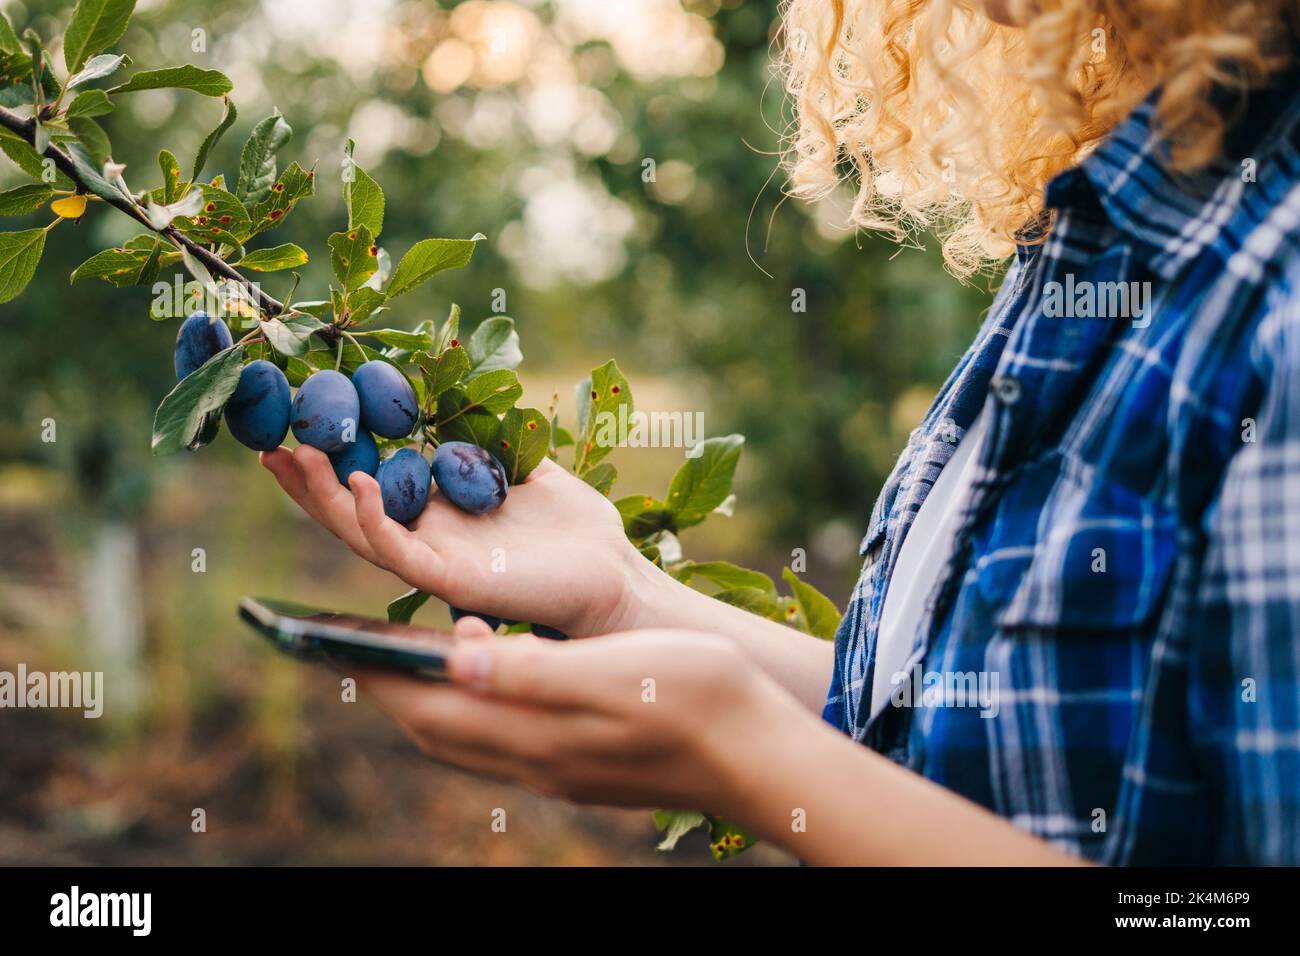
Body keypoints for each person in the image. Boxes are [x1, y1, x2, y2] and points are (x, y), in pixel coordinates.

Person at [261, 0, 1300, 865]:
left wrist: (745, 754)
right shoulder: (1101, 221)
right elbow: (919, 744)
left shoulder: (1277, 300)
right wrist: (623, 595)